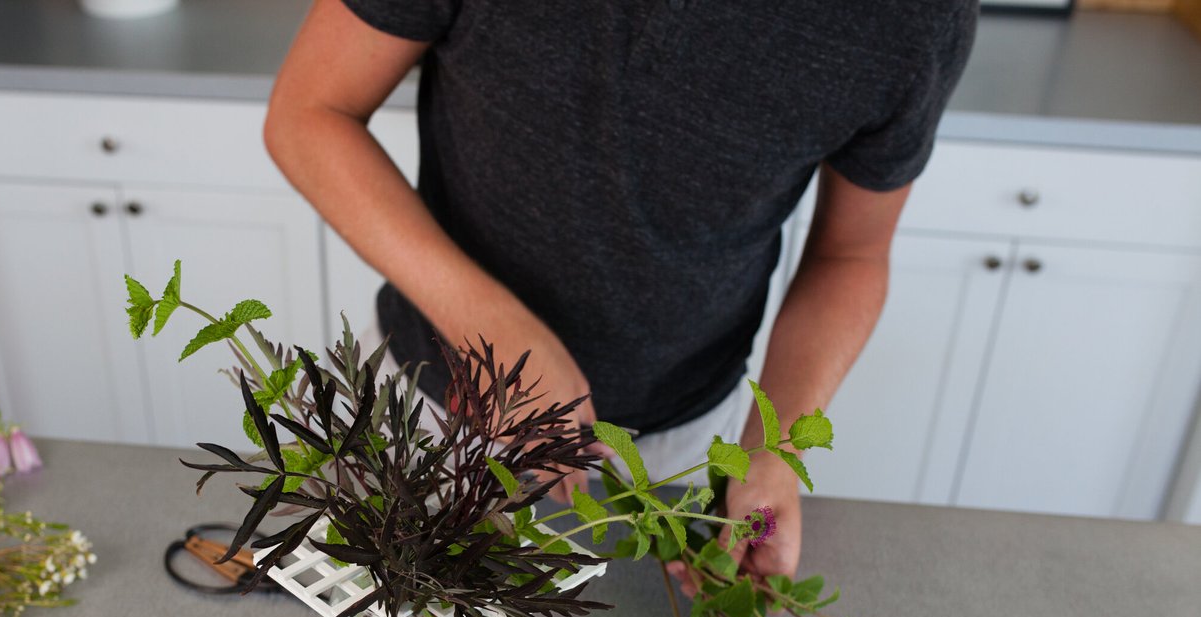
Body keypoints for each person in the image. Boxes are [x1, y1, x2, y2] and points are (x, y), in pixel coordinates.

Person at [263, 0, 977, 579]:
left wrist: (774, 451)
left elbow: (851, 254)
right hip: (432, 421)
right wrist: (494, 330)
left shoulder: (916, 20)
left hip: (684, 459)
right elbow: (309, 113)